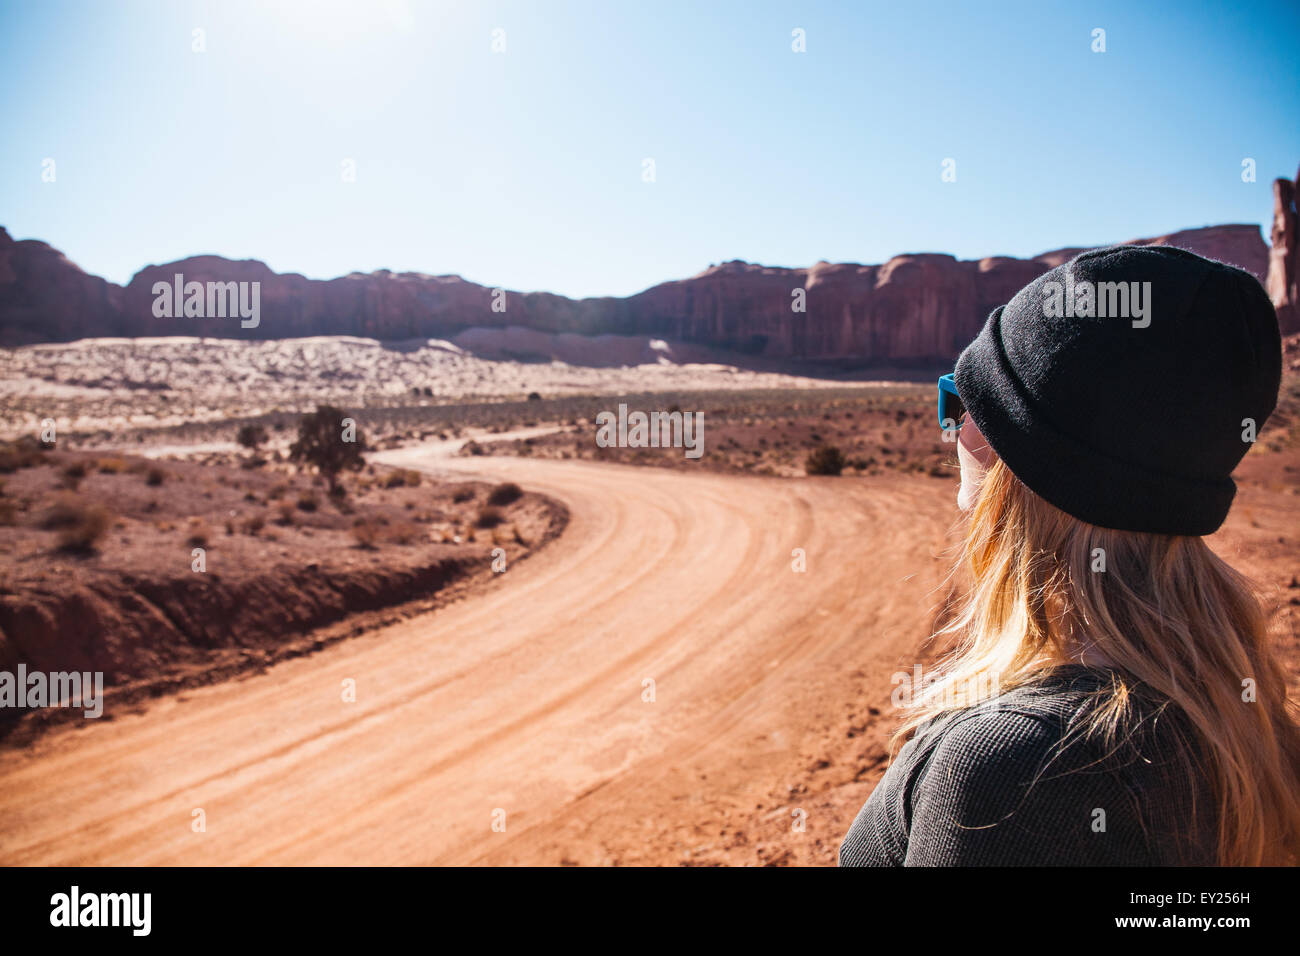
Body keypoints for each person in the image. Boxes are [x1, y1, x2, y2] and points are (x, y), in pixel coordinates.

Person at [839, 245, 1300, 866]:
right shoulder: (1246, 719)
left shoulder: (1010, 776)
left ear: (1014, 451)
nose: (953, 430)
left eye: (960, 402)